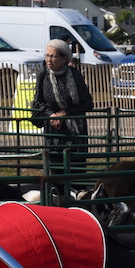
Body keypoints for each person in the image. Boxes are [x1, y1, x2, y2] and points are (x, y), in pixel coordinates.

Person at [30, 39, 93, 182]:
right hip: (53, 133)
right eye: (47, 55)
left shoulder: (75, 75)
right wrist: (51, 115)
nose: (49, 60)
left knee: (77, 174)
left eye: (53, 56)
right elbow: (38, 102)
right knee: (56, 173)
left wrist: (64, 114)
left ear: (64, 58)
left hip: (75, 133)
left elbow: (88, 103)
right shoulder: (43, 75)